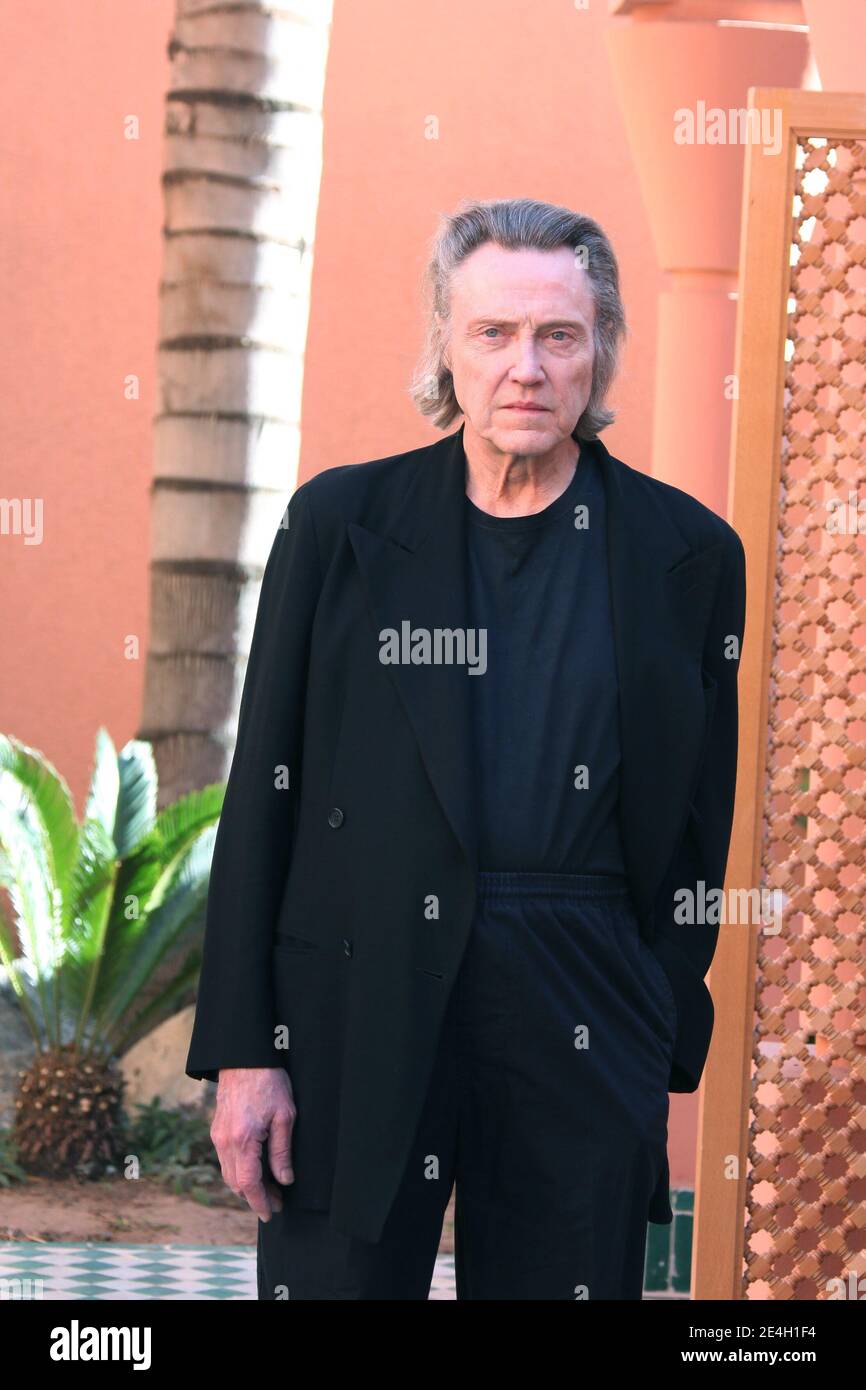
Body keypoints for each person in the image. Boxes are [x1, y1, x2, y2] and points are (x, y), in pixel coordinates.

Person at [186, 196, 746, 1300]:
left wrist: (656, 1018)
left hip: (581, 986)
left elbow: (696, 817)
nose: (523, 368)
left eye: (557, 336)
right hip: (358, 980)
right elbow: (263, 797)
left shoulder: (686, 553)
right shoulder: (339, 525)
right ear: (444, 345)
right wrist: (247, 1048)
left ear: (600, 352)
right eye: (492, 334)